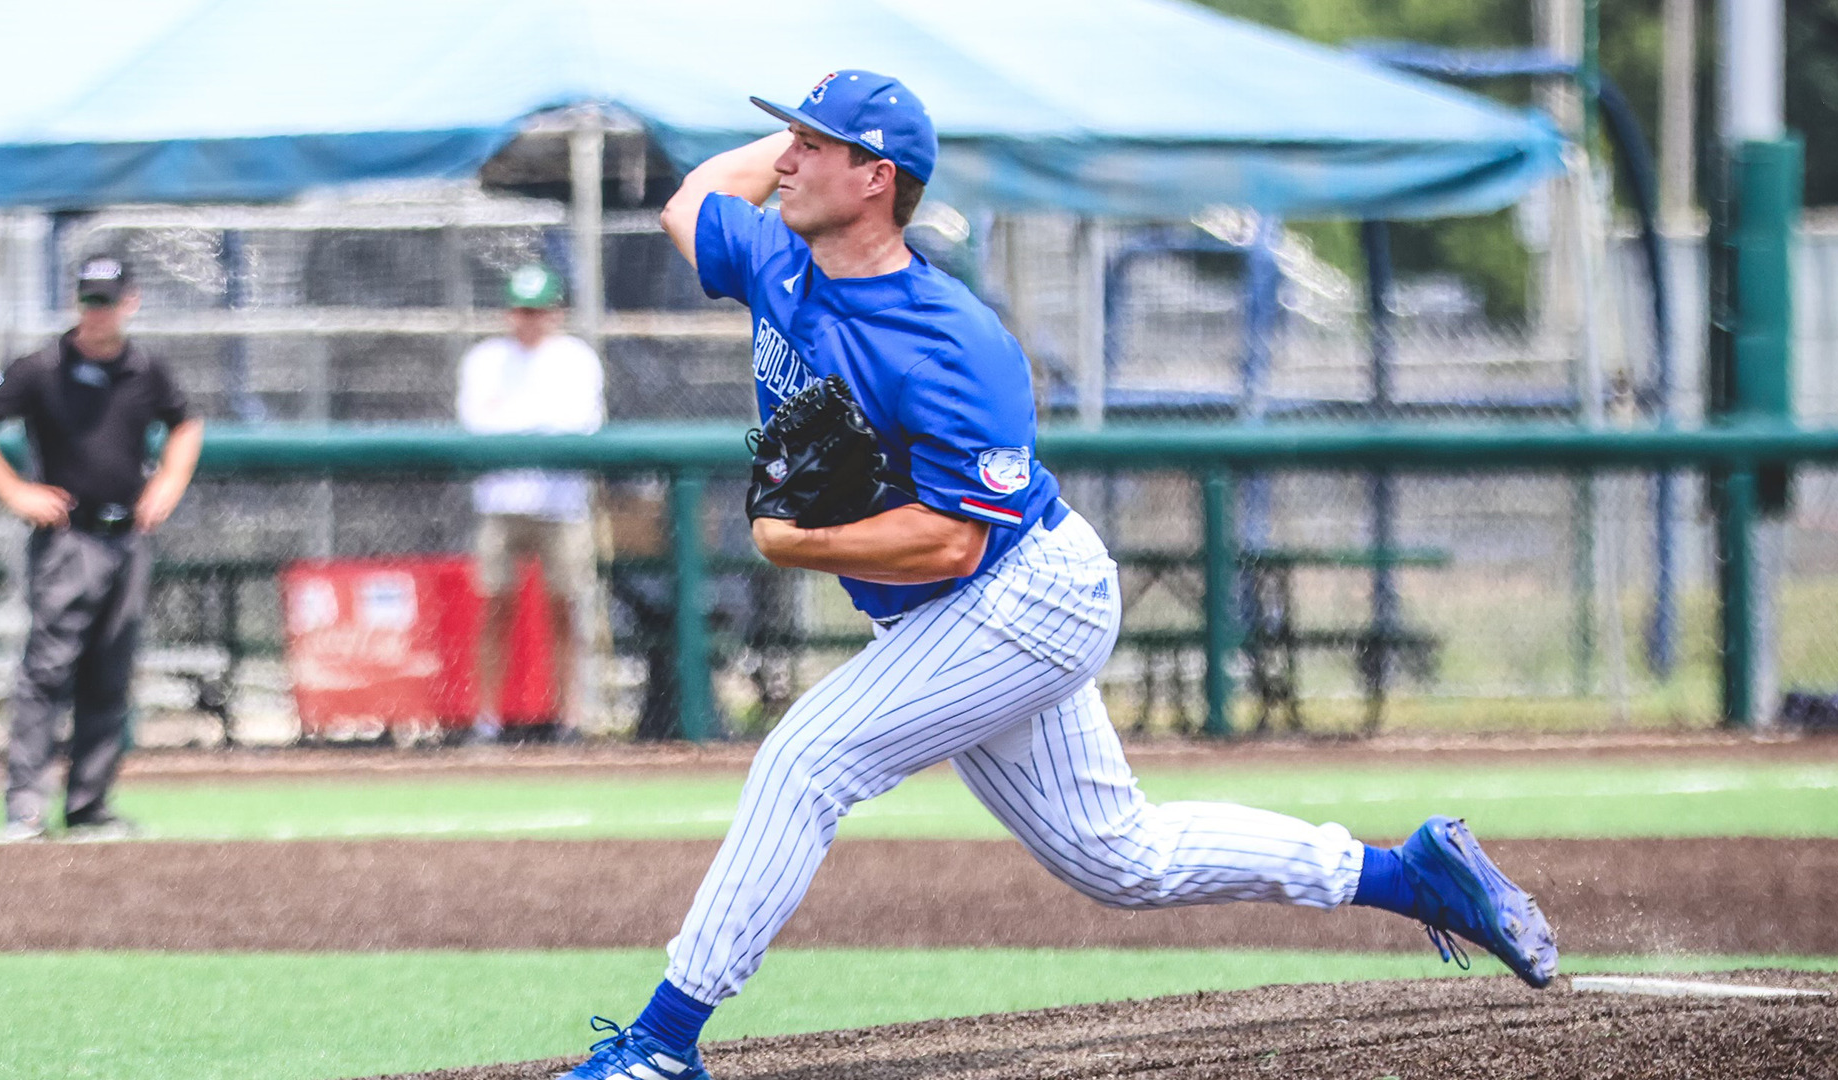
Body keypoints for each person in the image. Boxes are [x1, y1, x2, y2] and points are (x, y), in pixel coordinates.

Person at [554, 72, 1558, 1080]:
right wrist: (776, 154)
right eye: (792, 142)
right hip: (940, 620)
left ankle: (661, 1044)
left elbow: (950, 542)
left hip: (1026, 596)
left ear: (876, 178)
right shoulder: (777, 264)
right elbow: (689, 205)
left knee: (807, 761)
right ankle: (1412, 877)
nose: (790, 159)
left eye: (815, 144)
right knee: (1121, 860)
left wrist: (799, 545)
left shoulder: (956, 342)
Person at [0, 255, 202, 843]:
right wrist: (13, 490)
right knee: (47, 671)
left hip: (127, 536)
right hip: (67, 543)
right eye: (89, 300)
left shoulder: (145, 368)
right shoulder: (42, 367)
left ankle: (90, 807)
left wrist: (169, 482)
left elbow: (186, 423)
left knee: (111, 673)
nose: (97, 312)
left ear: (131, 301)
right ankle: (25, 808)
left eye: (108, 300)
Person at [455, 264, 605, 738]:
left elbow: (579, 423)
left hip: (562, 503)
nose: (529, 320)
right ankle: (487, 719)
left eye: (538, 311)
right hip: (500, 501)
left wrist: (520, 422)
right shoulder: (484, 359)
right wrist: (533, 422)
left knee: (566, 606)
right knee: (494, 606)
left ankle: (571, 717)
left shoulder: (577, 359)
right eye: (522, 310)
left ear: (556, 313)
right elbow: (477, 423)